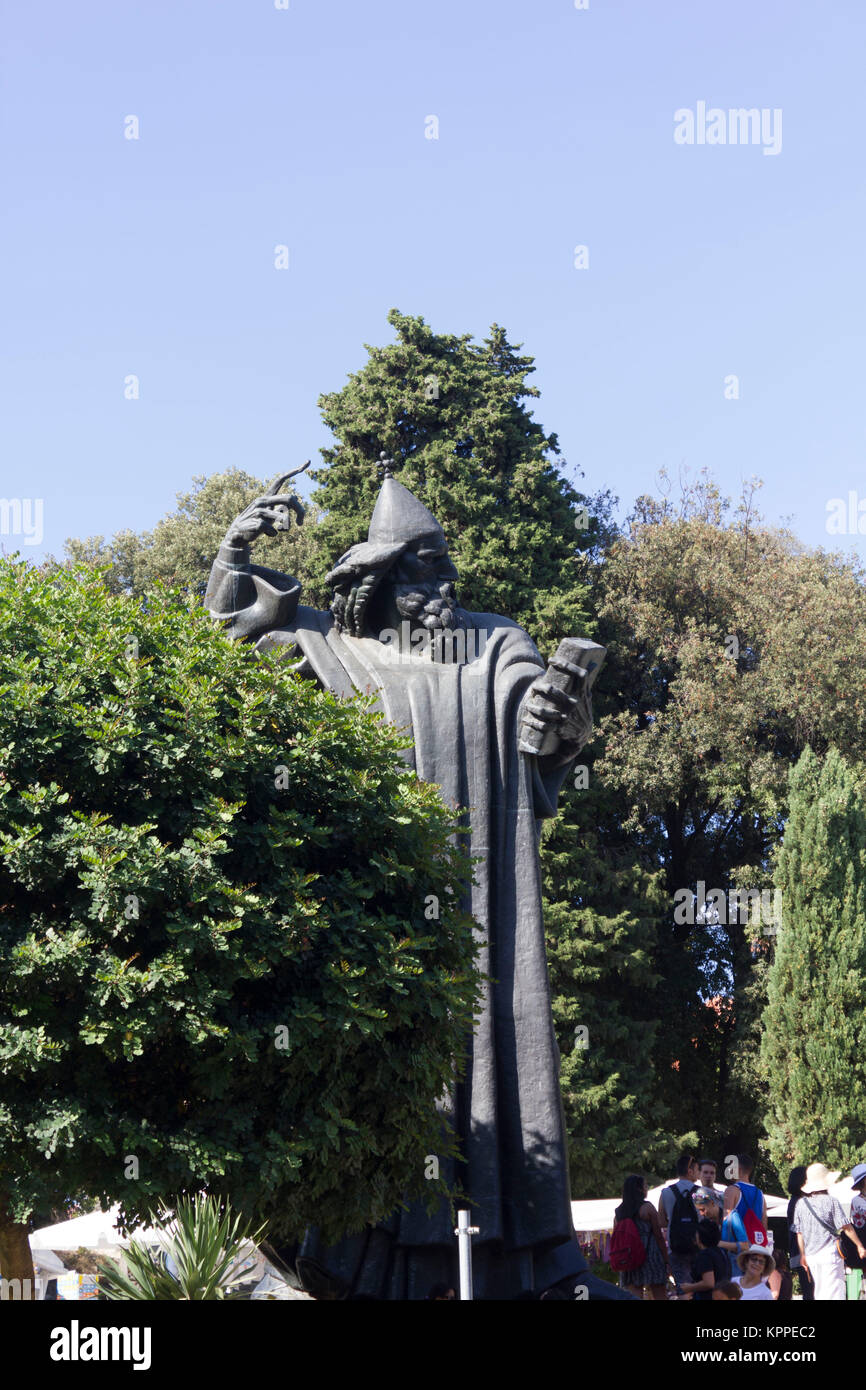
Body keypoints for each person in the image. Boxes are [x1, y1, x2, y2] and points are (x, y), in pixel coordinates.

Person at [791, 1162, 866, 1301]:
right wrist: (859, 1245)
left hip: (811, 1254)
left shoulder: (801, 1204)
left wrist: (802, 1254)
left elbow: (799, 1232)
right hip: (830, 1252)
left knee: (819, 1291)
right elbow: (846, 1227)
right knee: (835, 1292)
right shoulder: (831, 1201)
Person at [613, 1174, 669, 1301]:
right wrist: (666, 1259)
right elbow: (659, 1236)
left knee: (634, 1295)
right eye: (645, 1185)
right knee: (660, 1294)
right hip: (651, 1256)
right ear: (639, 1189)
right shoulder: (647, 1208)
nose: (646, 1188)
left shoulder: (618, 1212)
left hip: (629, 1257)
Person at [658, 1155, 699, 1292]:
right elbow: (711, 1217)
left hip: (675, 1247)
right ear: (690, 1171)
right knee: (700, 1286)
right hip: (698, 1245)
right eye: (697, 1170)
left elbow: (662, 1221)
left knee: (682, 1287)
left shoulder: (665, 1192)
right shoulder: (702, 1192)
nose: (698, 1174)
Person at [696, 1188, 746, 1278]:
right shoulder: (707, 1222)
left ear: (712, 1203)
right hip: (717, 1272)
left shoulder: (732, 1217)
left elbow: (745, 1246)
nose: (701, 1213)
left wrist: (718, 1243)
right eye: (699, 1210)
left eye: (703, 1209)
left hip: (734, 1273)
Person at [678, 1219, 728, 1301]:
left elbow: (708, 1283)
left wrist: (689, 1288)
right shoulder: (721, 1252)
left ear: (700, 1236)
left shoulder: (705, 1256)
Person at [723, 1154, 767, 1244]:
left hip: (736, 1246)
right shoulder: (760, 1194)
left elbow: (726, 1221)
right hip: (755, 1246)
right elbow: (764, 1224)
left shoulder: (732, 1190)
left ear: (738, 1169)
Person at [787, 1165, 813, 1301]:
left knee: (808, 1289)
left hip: (797, 1251)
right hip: (805, 1252)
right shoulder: (800, 1202)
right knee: (810, 1290)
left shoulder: (794, 1201)